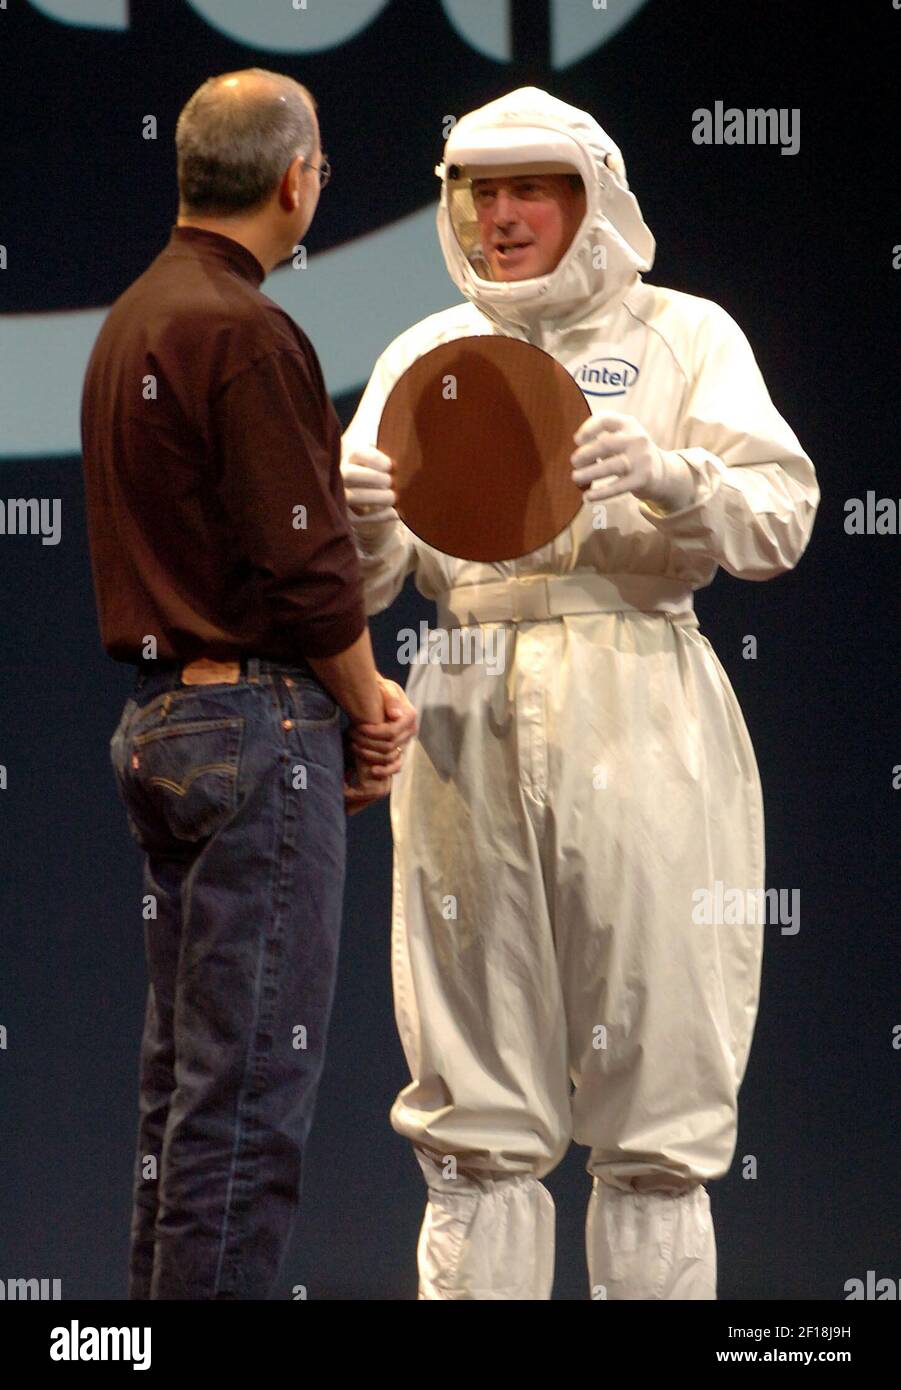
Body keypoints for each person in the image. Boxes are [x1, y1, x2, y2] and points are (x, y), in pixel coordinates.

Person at [340, 87, 819, 1299]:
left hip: (640, 691)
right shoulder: (419, 355)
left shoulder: (683, 335)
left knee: (658, 1084)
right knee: (474, 1097)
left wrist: (673, 475)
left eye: (529, 190)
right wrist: (359, 525)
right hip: (464, 693)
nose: (500, 217)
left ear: (591, 196)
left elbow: (782, 519)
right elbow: (372, 582)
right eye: (477, 192)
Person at [80, 68, 416, 1300]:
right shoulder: (246, 330)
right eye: (318, 168)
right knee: (246, 1108)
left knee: (185, 1096)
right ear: (294, 181)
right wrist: (372, 701)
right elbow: (306, 567)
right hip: (251, 728)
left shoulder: (135, 318)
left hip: (166, 725)